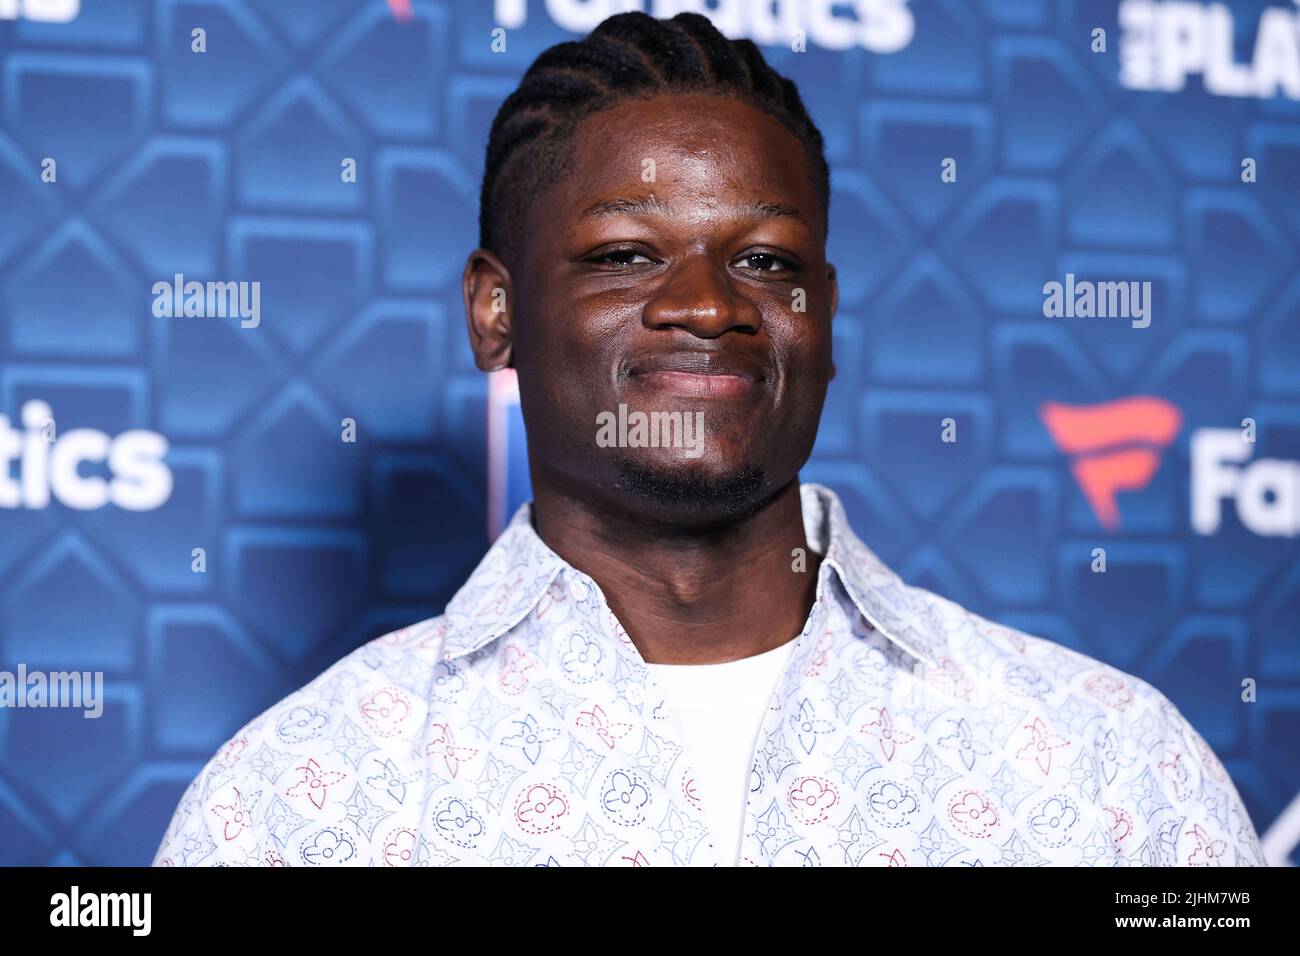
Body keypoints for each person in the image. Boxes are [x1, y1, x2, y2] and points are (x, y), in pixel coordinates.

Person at [153, 10, 1264, 867]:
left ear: (824, 318)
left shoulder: (1115, 767)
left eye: (767, 260)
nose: (706, 302)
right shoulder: (297, 797)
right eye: (625, 254)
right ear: (496, 313)